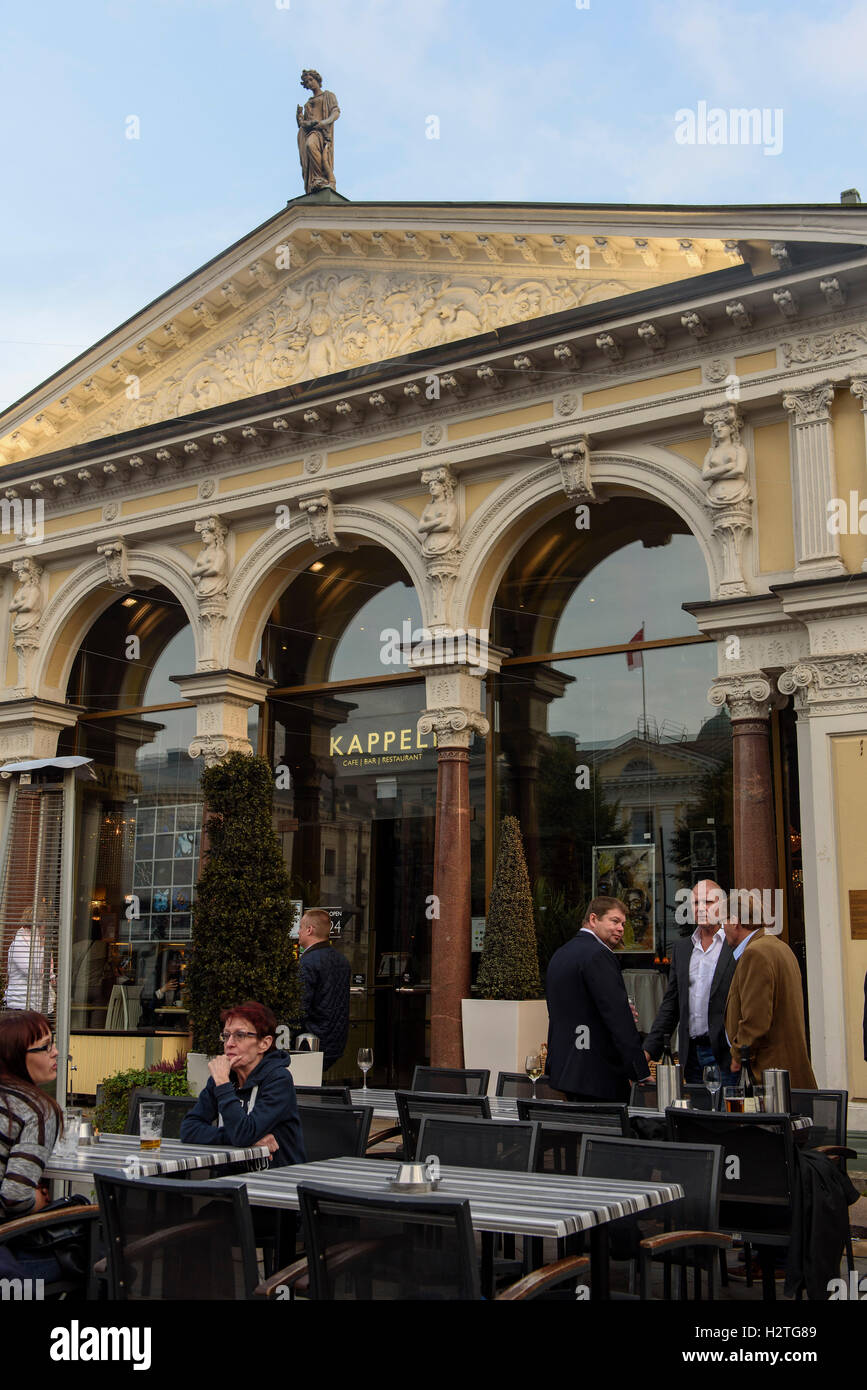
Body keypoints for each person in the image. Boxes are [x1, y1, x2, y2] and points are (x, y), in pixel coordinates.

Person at [545, 896, 651, 1101]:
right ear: (594, 919)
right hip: (597, 1073)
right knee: (607, 1132)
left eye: (623, 924)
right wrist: (640, 1070)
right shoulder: (599, 954)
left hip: (564, 1069)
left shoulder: (560, 953)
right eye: (614, 921)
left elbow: (573, 1007)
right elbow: (618, 1018)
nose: (620, 928)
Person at [180, 1001, 305, 1164]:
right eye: (226, 1036)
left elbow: (243, 1134)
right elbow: (188, 1129)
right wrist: (239, 1138)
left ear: (264, 1043)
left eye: (240, 1035)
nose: (229, 1043)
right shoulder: (222, 1077)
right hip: (226, 1181)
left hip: (274, 1179)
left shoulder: (278, 1079)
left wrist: (244, 1136)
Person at [643, 879, 736, 1087]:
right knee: (697, 1115)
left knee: (726, 1116)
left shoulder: (734, 946)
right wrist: (648, 1051)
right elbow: (671, 1004)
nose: (701, 908)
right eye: (695, 903)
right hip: (692, 1055)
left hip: (727, 1055)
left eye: (708, 902)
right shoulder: (683, 949)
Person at [0, 1011, 64, 1280]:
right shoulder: (35, 1110)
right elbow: (14, 1197)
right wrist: (36, 1200)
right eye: (46, 1046)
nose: (56, 1052)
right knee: (97, 1256)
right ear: (16, 1057)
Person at [723, 908, 817, 1088]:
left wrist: (738, 1054)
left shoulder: (755, 953)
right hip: (784, 1072)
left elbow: (756, 1020)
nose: (722, 928)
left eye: (723, 921)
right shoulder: (779, 946)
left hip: (768, 1075)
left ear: (734, 921)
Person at [296, 910, 351, 1071]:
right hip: (336, 1041)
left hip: (309, 1041)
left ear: (309, 930)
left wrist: (287, 1036)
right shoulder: (342, 960)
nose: (298, 932)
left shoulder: (307, 963)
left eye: (300, 927)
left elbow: (299, 1007)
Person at [3, 907, 55, 1013]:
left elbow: (47, 973)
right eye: (47, 924)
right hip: (21, 1005)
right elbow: (34, 972)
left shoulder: (41, 943)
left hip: (40, 1005)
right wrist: (42, 947)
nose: (50, 928)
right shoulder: (19, 945)